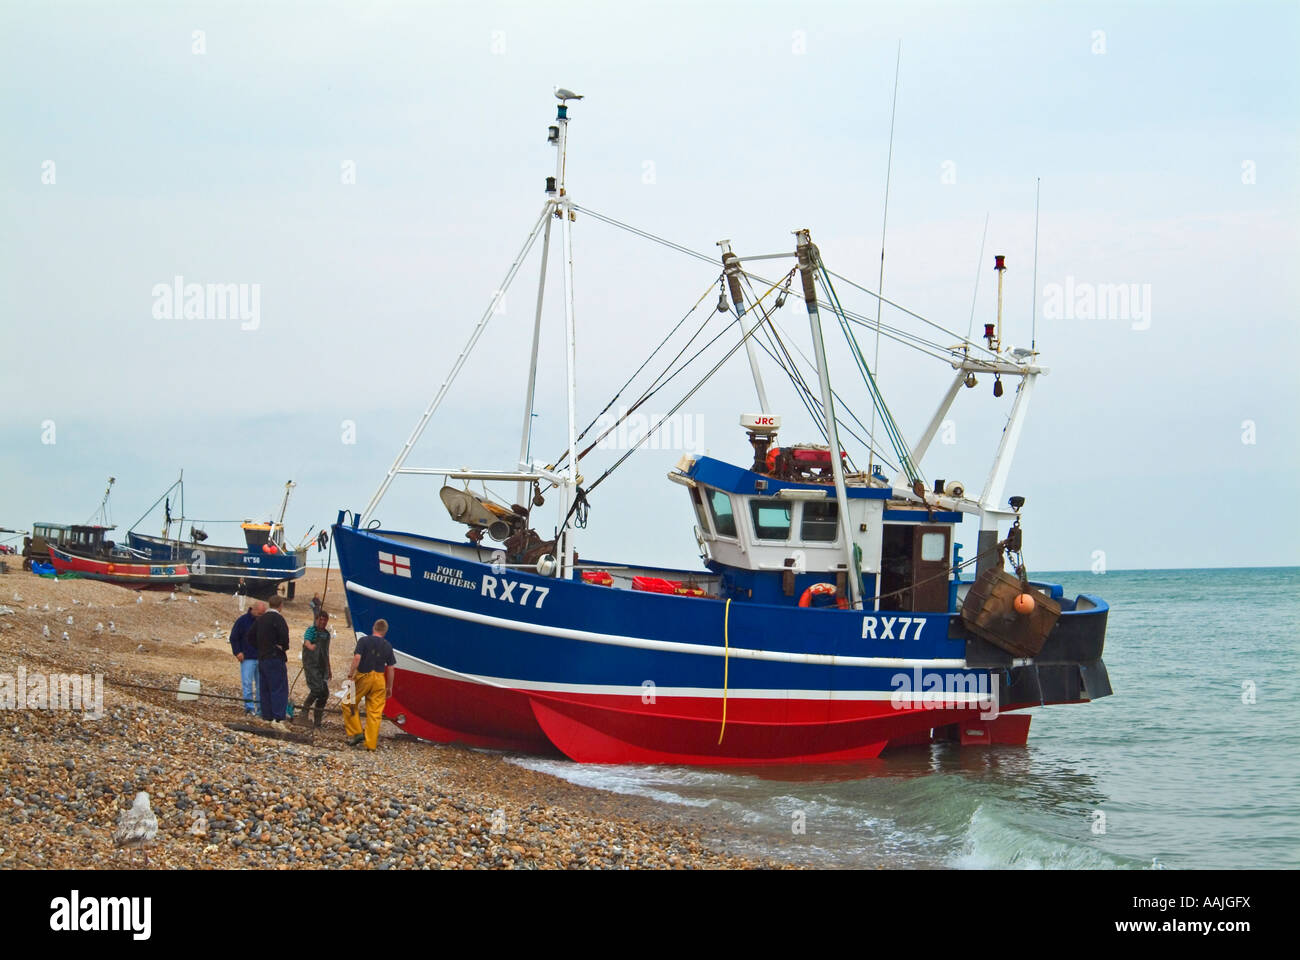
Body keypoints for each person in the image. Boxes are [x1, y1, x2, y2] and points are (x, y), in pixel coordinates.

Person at [342, 619, 396, 750]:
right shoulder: (387, 645)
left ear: (374, 628)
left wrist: (350, 675)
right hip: (379, 679)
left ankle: (357, 732)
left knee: (348, 702)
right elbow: (391, 668)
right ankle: (370, 745)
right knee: (375, 712)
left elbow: (357, 658)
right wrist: (389, 687)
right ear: (385, 632)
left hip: (364, 676)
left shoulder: (364, 641)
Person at [255, 596, 291, 729]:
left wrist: (260, 647)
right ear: (280, 605)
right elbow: (284, 637)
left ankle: (267, 716)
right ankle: (278, 718)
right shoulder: (278, 619)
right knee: (278, 688)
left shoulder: (261, 619)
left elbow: (250, 636)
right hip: (275, 657)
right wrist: (282, 646)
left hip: (262, 657)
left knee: (265, 688)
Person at [300, 610, 333, 729]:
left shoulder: (327, 634)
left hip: (322, 666)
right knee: (317, 688)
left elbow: (326, 652)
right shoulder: (311, 630)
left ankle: (317, 721)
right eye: (321, 619)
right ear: (316, 619)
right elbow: (307, 641)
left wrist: (329, 669)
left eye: (325, 620)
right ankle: (304, 712)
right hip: (311, 665)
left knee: (324, 693)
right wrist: (310, 646)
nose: (323, 622)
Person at [228, 603, 261, 715]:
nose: (261, 616)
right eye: (260, 613)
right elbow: (233, 637)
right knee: (247, 683)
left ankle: (260, 708)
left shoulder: (263, 621)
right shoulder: (242, 621)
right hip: (247, 658)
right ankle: (250, 707)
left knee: (260, 684)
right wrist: (237, 652)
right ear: (254, 610)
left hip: (261, 657)